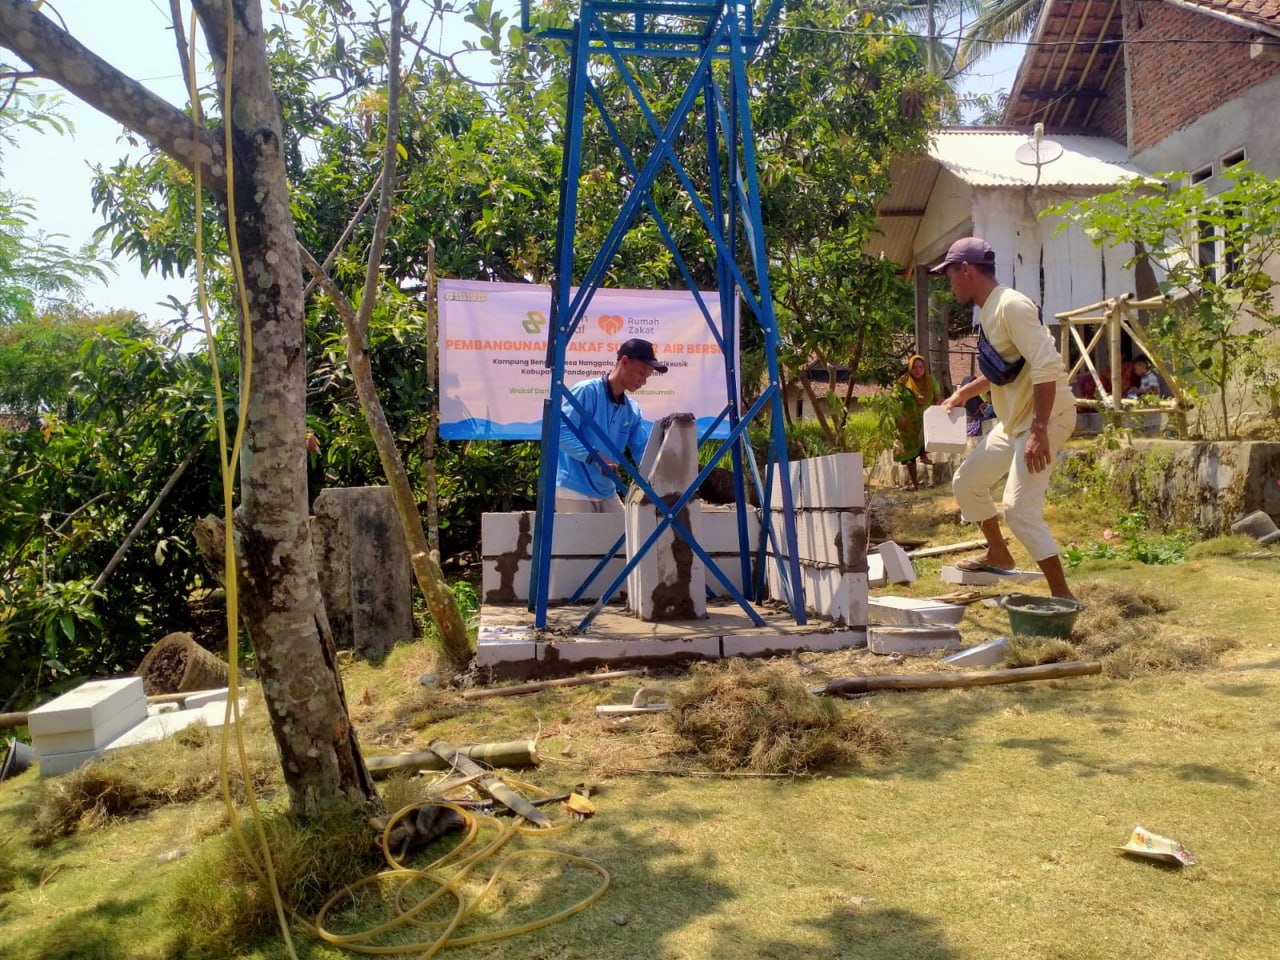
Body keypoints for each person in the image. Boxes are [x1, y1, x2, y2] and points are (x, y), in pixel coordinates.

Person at [934, 237, 1077, 600]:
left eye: (950, 275)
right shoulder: (990, 311)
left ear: (966, 269)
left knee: (1018, 509)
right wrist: (965, 392)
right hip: (1014, 421)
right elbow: (1009, 367)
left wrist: (1040, 430)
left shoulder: (1011, 306)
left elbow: (1046, 364)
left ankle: (1063, 595)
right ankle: (999, 553)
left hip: (1046, 417)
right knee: (966, 481)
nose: (950, 285)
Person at [555, 338, 666, 513]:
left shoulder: (632, 410)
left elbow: (643, 452)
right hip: (573, 489)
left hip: (607, 491)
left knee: (626, 538)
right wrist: (595, 456)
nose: (643, 381)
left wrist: (663, 478)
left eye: (647, 377)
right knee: (583, 541)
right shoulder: (586, 391)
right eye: (641, 373)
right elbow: (558, 432)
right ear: (624, 361)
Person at [892, 353, 940, 491]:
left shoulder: (931, 381)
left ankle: (924, 454)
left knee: (924, 442)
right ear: (910, 368)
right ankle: (914, 483)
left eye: (921, 367)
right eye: (915, 368)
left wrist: (941, 405)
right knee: (909, 455)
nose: (918, 370)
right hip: (908, 424)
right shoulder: (902, 382)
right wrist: (899, 415)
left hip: (926, 421)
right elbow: (893, 400)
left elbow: (938, 397)